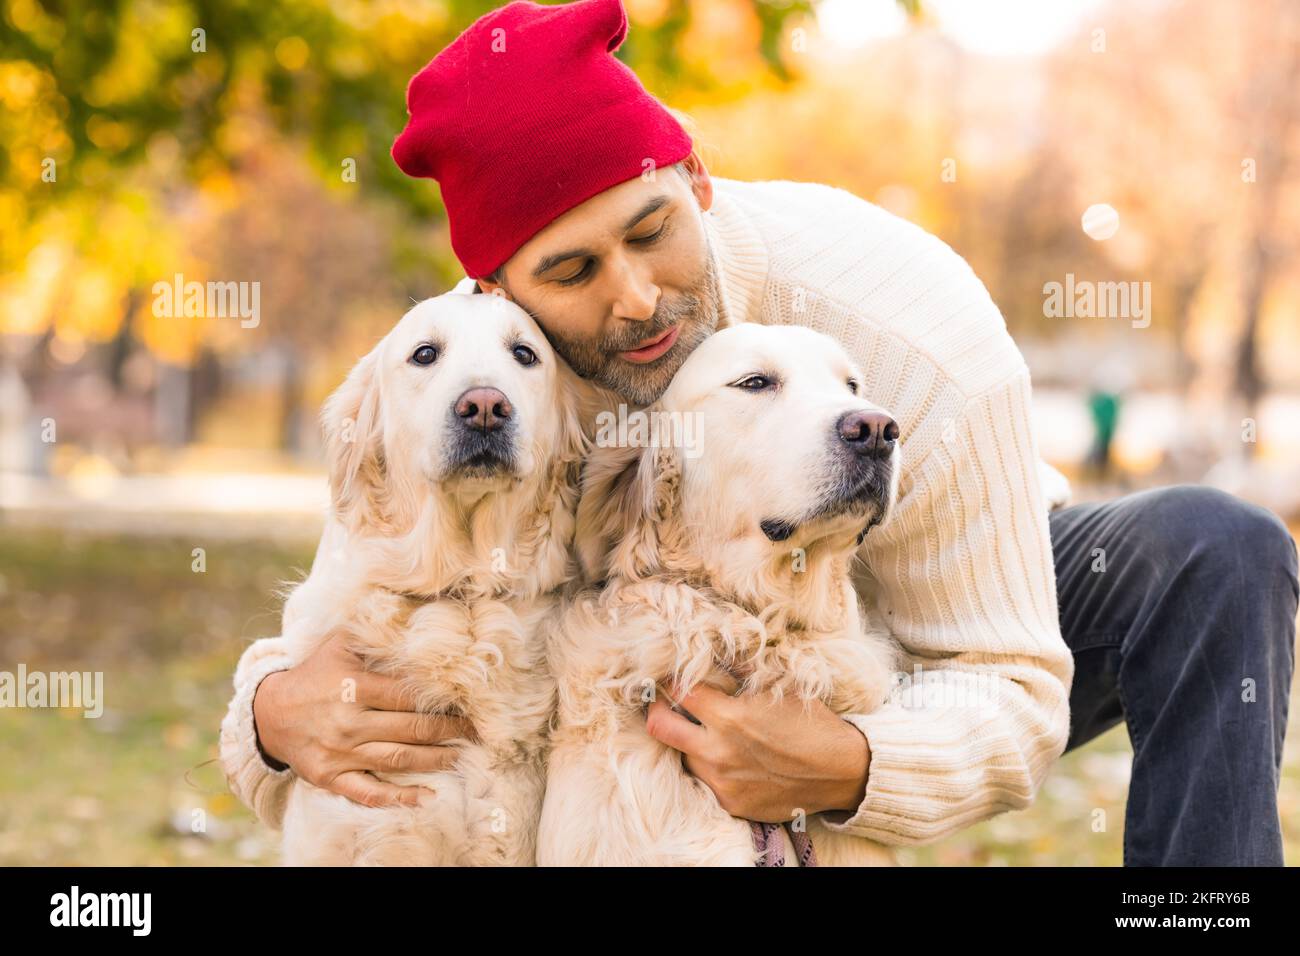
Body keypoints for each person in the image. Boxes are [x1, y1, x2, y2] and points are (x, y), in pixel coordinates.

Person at [220, 0, 1297, 865]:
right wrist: (271, 714)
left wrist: (844, 759)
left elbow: (1011, 679)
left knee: (1216, 552)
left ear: (693, 180)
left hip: (893, 611)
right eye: (573, 272)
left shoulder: (912, 330)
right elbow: (371, 585)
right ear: (493, 284)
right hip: (634, 652)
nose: (636, 298)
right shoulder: (492, 367)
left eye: (651, 232)